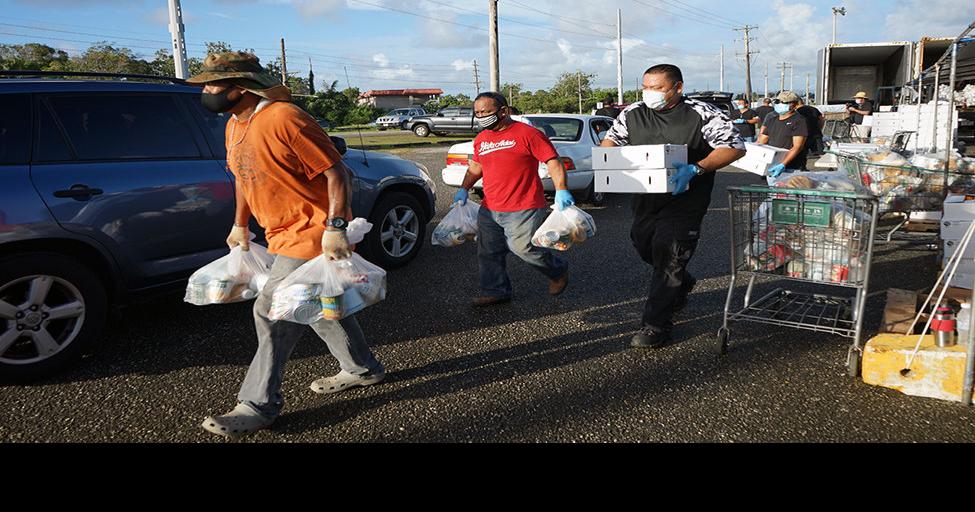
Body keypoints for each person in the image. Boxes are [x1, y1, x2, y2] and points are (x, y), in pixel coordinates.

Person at [188, 52, 385, 438]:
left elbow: (337, 172)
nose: (206, 91)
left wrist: (336, 226)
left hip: (310, 231)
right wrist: (240, 225)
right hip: (277, 232)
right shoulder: (235, 125)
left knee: (273, 311)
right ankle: (363, 368)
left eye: (213, 85)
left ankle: (258, 404)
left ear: (239, 88)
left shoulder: (284, 118)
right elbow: (243, 178)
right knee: (320, 307)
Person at [600, 64, 745, 349]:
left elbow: (734, 146)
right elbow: (611, 141)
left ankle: (655, 326)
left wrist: (697, 168)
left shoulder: (701, 113)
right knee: (645, 246)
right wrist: (608, 162)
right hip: (645, 197)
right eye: (646, 87)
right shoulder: (632, 113)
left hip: (686, 198)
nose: (650, 93)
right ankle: (683, 280)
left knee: (669, 257)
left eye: (658, 88)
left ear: (678, 87)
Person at [454, 92, 571, 307]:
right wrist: (464, 188)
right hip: (490, 207)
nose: (481, 117)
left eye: (486, 112)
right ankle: (496, 291)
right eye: (477, 113)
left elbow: (553, 162)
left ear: (504, 111)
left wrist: (561, 189)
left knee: (523, 248)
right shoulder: (482, 139)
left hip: (524, 205)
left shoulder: (528, 134)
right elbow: (476, 167)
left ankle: (557, 271)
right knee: (488, 252)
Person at [757, 90, 809, 177]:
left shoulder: (799, 121)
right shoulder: (772, 120)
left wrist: (783, 164)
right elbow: (761, 141)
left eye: (785, 102)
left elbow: (797, 146)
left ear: (795, 105)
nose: (780, 104)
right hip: (771, 165)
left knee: (787, 190)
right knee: (774, 189)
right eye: (778, 101)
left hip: (791, 167)